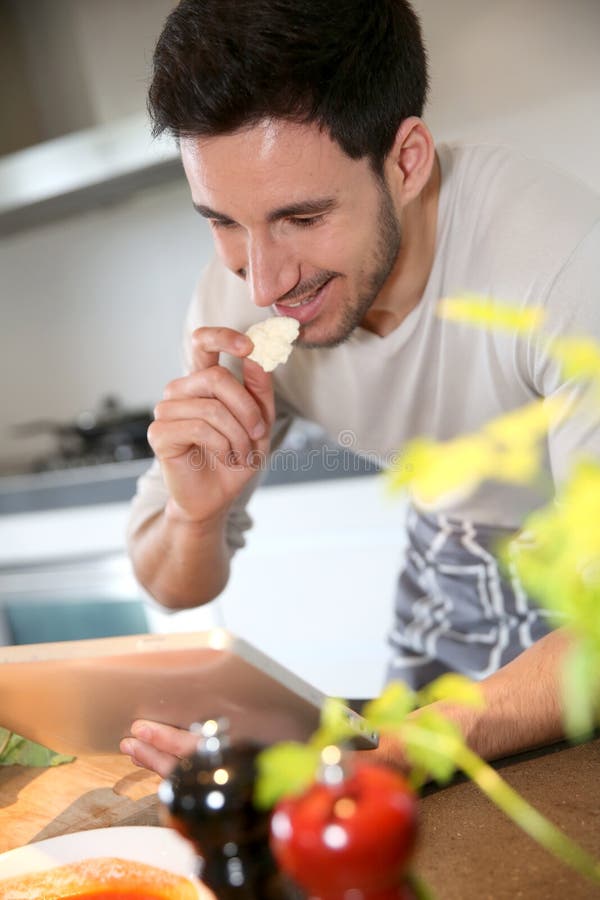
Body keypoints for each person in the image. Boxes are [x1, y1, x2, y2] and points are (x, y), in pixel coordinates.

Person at [119, 0, 600, 776]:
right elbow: (170, 585)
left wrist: (396, 752)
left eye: (302, 217)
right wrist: (195, 513)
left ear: (407, 161)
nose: (266, 280)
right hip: (445, 564)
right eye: (222, 221)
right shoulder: (235, 294)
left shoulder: (564, 261)